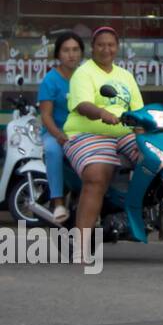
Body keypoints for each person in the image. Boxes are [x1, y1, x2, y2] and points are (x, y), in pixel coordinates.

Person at [62, 27, 144, 252]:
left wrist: (144, 138)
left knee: (158, 159)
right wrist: (101, 113)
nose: (106, 49)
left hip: (123, 132)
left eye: (111, 45)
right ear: (93, 47)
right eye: (101, 45)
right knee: (98, 174)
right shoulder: (84, 73)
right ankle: (80, 247)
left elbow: (138, 111)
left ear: (117, 48)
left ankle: (143, 215)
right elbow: (84, 105)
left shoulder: (125, 75)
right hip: (88, 133)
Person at [36, 31, 83, 224]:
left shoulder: (85, 76)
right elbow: (45, 115)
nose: (71, 55)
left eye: (75, 50)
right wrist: (58, 134)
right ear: (58, 54)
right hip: (54, 132)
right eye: (66, 50)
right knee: (53, 151)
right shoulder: (50, 80)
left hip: (81, 131)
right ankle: (58, 202)